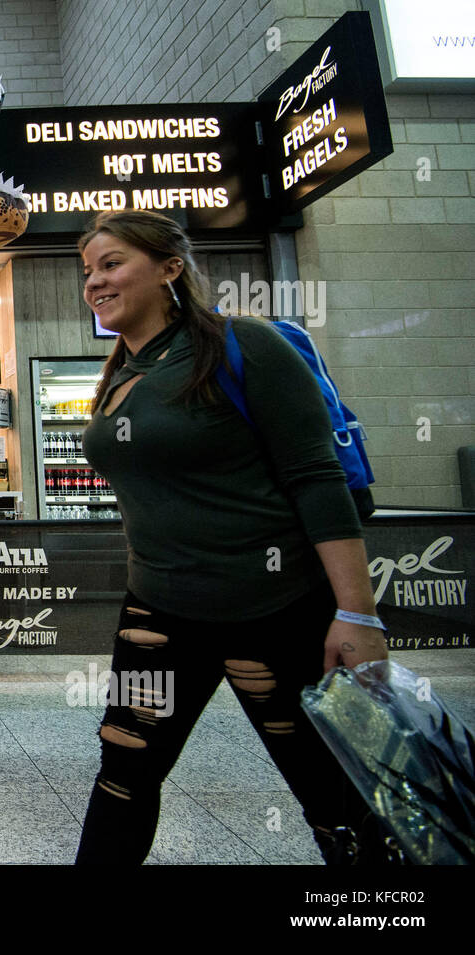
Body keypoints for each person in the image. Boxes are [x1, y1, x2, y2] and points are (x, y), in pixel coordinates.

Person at [74, 210, 390, 865]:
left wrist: (357, 613)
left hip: (276, 609)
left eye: (111, 264)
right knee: (124, 771)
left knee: (327, 785)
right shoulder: (121, 372)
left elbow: (316, 477)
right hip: (156, 613)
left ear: (169, 268)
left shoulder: (243, 345)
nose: (95, 281)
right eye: (87, 271)